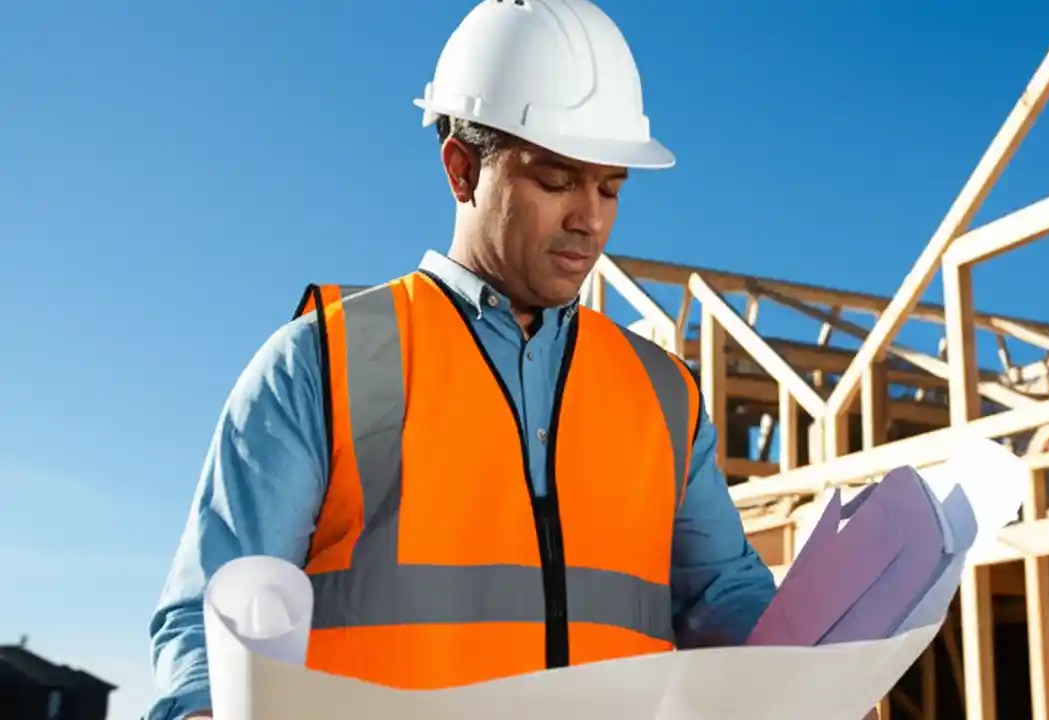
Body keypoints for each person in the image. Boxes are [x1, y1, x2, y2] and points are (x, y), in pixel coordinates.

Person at [146, 0, 777, 717]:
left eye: (610, 188)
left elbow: (727, 600)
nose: (590, 218)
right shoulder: (325, 363)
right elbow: (211, 620)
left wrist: (826, 668)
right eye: (556, 180)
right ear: (462, 169)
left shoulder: (664, 394)